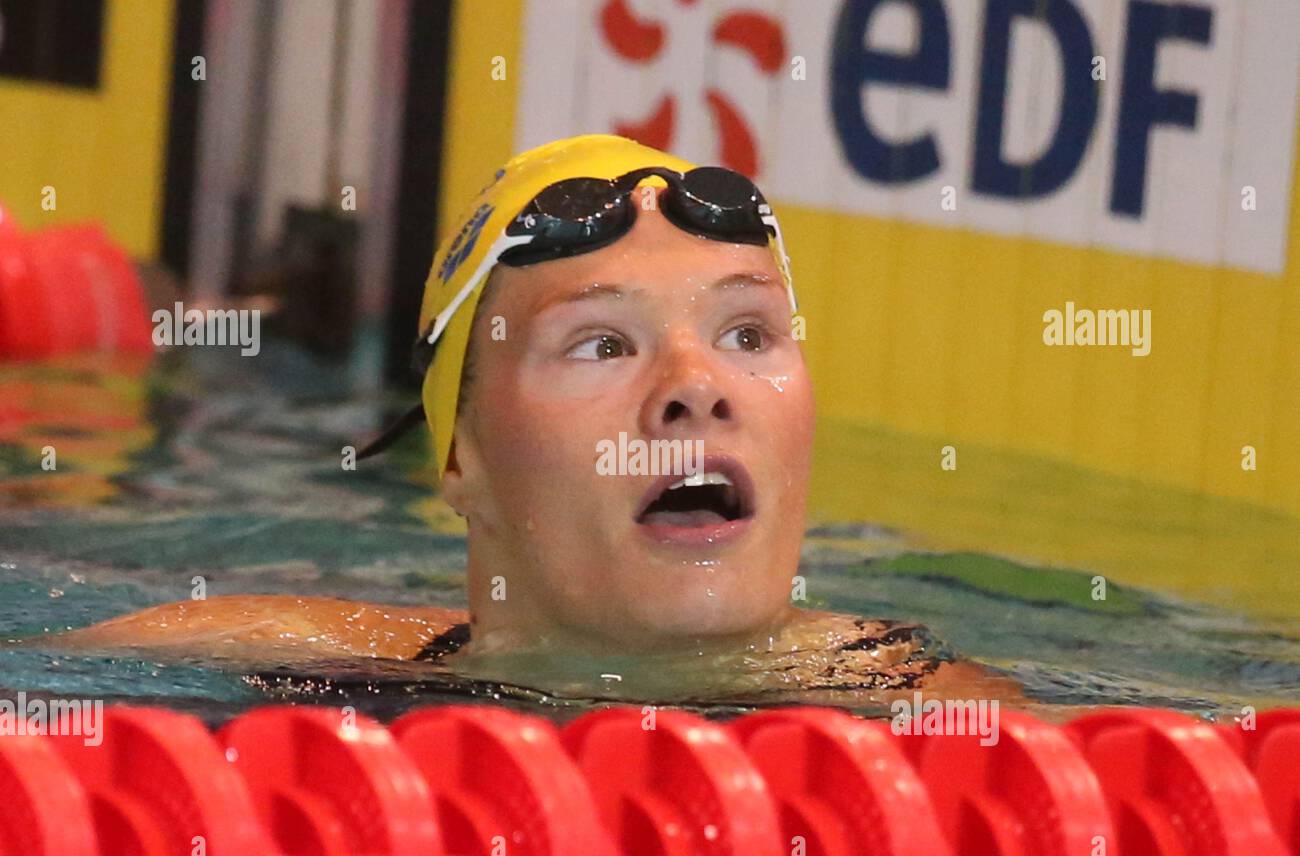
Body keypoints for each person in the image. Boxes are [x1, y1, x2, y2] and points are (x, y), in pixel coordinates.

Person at [51, 135, 1008, 699]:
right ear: (460, 457)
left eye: (748, 334)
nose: (698, 385)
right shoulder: (285, 664)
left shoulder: (937, 718)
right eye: (602, 344)